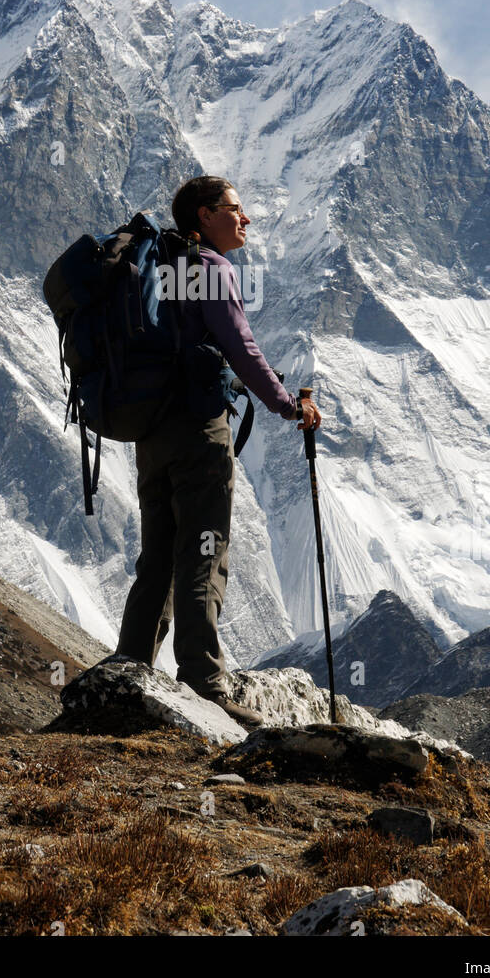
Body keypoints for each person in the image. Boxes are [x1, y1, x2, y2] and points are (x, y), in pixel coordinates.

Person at [115, 175, 322, 729]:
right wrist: (286, 405)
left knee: (157, 557)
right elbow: (241, 346)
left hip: (152, 436)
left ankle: (127, 670)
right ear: (204, 217)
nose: (245, 219)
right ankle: (204, 681)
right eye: (235, 209)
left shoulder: (159, 270)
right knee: (204, 550)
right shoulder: (209, 269)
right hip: (198, 434)